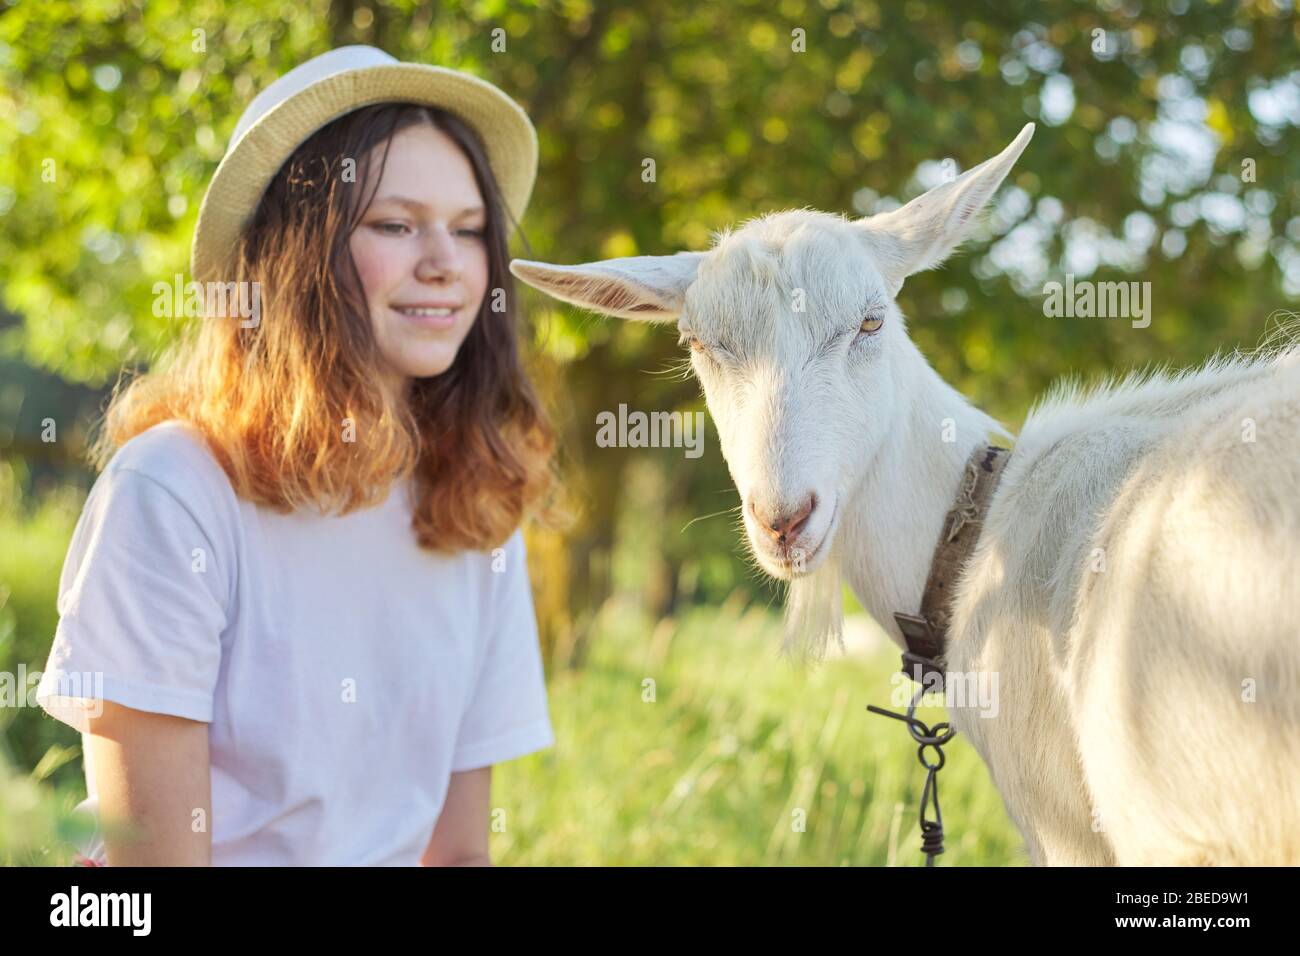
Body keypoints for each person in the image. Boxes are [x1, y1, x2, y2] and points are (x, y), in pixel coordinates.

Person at [35, 45, 563, 866]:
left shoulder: (477, 507)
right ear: (298, 256)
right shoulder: (173, 492)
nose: (445, 263)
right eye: (395, 224)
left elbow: (459, 854)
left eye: (468, 231)